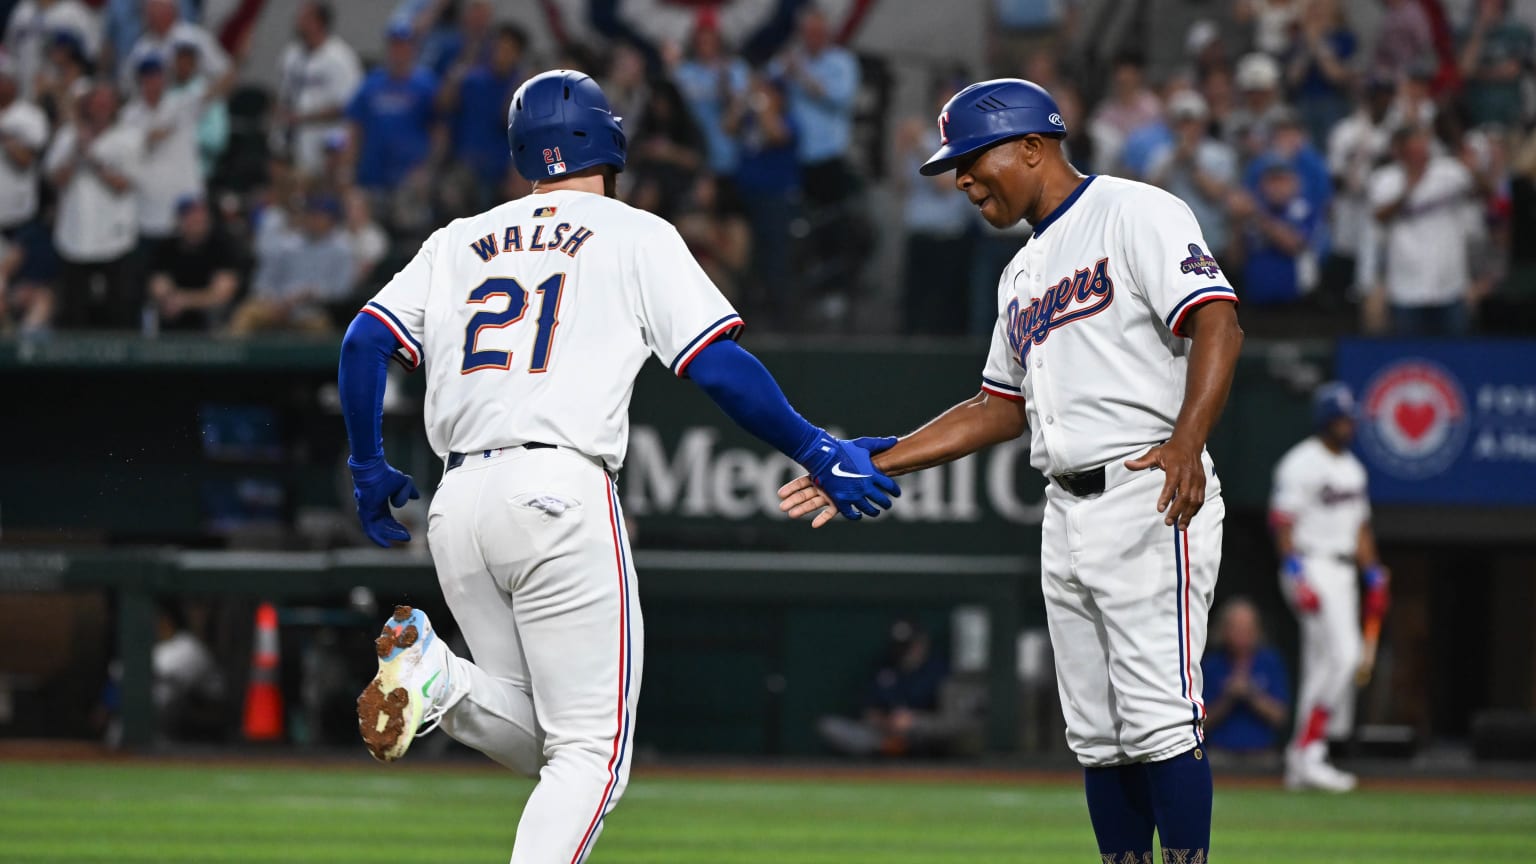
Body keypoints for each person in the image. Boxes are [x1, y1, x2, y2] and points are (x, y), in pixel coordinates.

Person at [339, 70, 897, 863]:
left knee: (543, 740)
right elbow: (716, 364)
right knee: (592, 755)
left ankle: (442, 680)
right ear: (609, 139)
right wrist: (814, 447)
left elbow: (363, 342)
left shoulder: (457, 238)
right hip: (557, 489)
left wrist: (366, 466)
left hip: (457, 503)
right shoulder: (636, 232)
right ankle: (441, 681)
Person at [780, 78, 1243, 864]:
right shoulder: (1020, 272)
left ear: (1032, 147)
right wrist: (872, 458)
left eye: (970, 158)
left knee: (1161, 717)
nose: (960, 178)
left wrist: (1188, 442)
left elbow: (1217, 322)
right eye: (952, 166)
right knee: (1099, 736)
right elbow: (998, 406)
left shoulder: (1135, 211)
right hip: (1064, 508)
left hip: (1146, 488)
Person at [1270, 382, 1390, 792]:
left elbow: (1360, 528)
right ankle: (1309, 749)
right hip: (1311, 563)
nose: (1346, 425)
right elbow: (1282, 523)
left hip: (1343, 572)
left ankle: (1301, 762)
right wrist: (1297, 575)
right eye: (1340, 418)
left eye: (1349, 418)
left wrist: (1373, 572)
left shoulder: (1353, 469)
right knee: (1347, 655)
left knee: (1324, 666)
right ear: (1324, 419)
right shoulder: (1300, 462)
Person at [1364, 125, 1486, 335]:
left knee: (1455, 357)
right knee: (1411, 354)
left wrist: (1474, 170)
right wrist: (1409, 188)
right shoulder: (1386, 179)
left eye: (1424, 146)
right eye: (1415, 147)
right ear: (1400, 151)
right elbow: (1379, 217)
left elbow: (1485, 193)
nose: (1422, 152)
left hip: (1450, 284)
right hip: (1406, 286)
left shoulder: (1449, 171)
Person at [44, 80, 141, 330]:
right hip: (74, 237)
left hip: (114, 238)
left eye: (106, 103)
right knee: (75, 314)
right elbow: (56, 179)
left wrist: (93, 158)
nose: (101, 108)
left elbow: (123, 185)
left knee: (117, 313)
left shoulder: (127, 136)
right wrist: (77, 151)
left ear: (114, 107)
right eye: (96, 102)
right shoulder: (68, 136)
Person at [818, 619, 964, 758]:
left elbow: (951, 723)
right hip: (885, 737)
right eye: (900, 647)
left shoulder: (940, 672)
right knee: (830, 726)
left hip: (923, 738)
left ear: (922, 643)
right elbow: (870, 712)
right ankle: (888, 749)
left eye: (908, 647)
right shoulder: (885, 669)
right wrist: (886, 722)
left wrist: (915, 721)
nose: (904, 653)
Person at [771, 6, 859, 206]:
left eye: (817, 33)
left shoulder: (842, 62)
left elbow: (840, 97)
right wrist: (783, 73)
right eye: (807, 33)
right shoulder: (792, 60)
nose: (812, 39)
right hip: (795, 154)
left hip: (829, 155)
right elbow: (766, 85)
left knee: (830, 216)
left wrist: (802, 76)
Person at [228, 195, 352, 334]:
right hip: (276, 306)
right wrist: (273, 302)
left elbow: (342, 291)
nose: (314, 220)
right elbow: (263, 281)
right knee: (247, 314)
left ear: (332, 220)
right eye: (311, 215)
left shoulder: (342, 250)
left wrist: (311, 293)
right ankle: (228, 354)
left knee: (319, 325)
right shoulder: (287, 245)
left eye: (320, 216)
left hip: (313, 310)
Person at [120, 54, 203, 254]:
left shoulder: (182, 103)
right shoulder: (129, 116)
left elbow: (220, 85)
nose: (153, 83)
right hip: (146, 208)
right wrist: (147, 139)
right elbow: (123, 155)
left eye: (157, 76)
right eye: (147, 78)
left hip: (184, 202)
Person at [275, 0, 362, 179]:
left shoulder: (340, 57)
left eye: (305, 17)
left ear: (319, 22)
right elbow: (283, 97)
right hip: (293, 141)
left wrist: (304, 117)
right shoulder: (291, 55)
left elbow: (350, 106)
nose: (298, 21)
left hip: (327, 143)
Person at [1147, 90, 1238, 259]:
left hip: (1213, 242)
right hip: (1174, 243)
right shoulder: (1162, 155)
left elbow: (1216, 194)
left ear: (1203, 123)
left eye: (1192, 122)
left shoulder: (1221, 153)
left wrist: (1191, 163)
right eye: (1182, 123)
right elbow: (1150, 196)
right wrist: (1174, 161)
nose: (1187, 128)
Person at [1201, 597, 1290, 754]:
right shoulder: (1210, 664)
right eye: (1236, 628)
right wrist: (1228, 697)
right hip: (1219, 754)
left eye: (1247, 628)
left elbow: (1280, 717)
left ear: (1257, 630)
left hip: (1263, 754)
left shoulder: (1270, 661)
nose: (1242, 635)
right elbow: (1199, 723)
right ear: (1223, 630)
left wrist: (1250, 693)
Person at [1229, 157, 1319, 305]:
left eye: (1282, 180)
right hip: (1254, 302)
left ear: (1295, 183)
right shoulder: (1250, 214)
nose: (1277, 187)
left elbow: (1292, 244)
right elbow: (1234, 261)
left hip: (1296, 303)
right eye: (1271, 181)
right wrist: (1236, 223)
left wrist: (1256, 214)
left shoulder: (1303, 209)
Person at [146, 195, 239, 331]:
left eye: (200, 214)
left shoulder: (223, 245)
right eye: (190, 215)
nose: (196, 219)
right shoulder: (166, 247)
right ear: (179, 219)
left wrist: (185, 301)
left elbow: (223, 292)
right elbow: (157, 285)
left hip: (209, 313)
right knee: (156, 309)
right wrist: (170, 298)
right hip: (174, 310)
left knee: (217, 311)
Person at [120, 0, 233, 99]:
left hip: (196, 107)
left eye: (156, 9)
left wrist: (205, 99)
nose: (151, 15)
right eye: (149, 10)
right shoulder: (142, 46)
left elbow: (226, 74)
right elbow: (127, 85)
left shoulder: (194, 37)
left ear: (171, 11)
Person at [1457, 0, 1534, 130]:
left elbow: (1512, 71)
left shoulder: (1518, 31)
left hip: (1510, 112)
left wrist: (1479, 72)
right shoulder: (1464, 31)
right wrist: (1481, 29)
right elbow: (1464, 70)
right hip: (1475, 113)